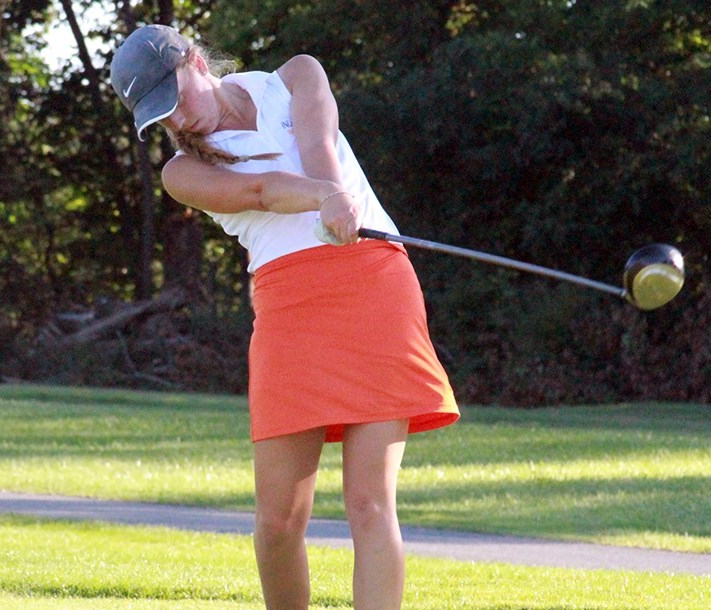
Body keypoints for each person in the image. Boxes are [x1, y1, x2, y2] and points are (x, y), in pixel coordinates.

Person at [109, 24, 460, 609]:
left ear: (196, 62)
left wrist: (334, 194)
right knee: (278, 521)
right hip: (289, 305)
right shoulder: (181, 173)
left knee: (370, 503)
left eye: (175, 100)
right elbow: (261, 192)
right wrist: (322, 198)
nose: (178, 120)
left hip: (374, 285)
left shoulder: (295, 75)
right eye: (162, 117)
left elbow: (320, 143)